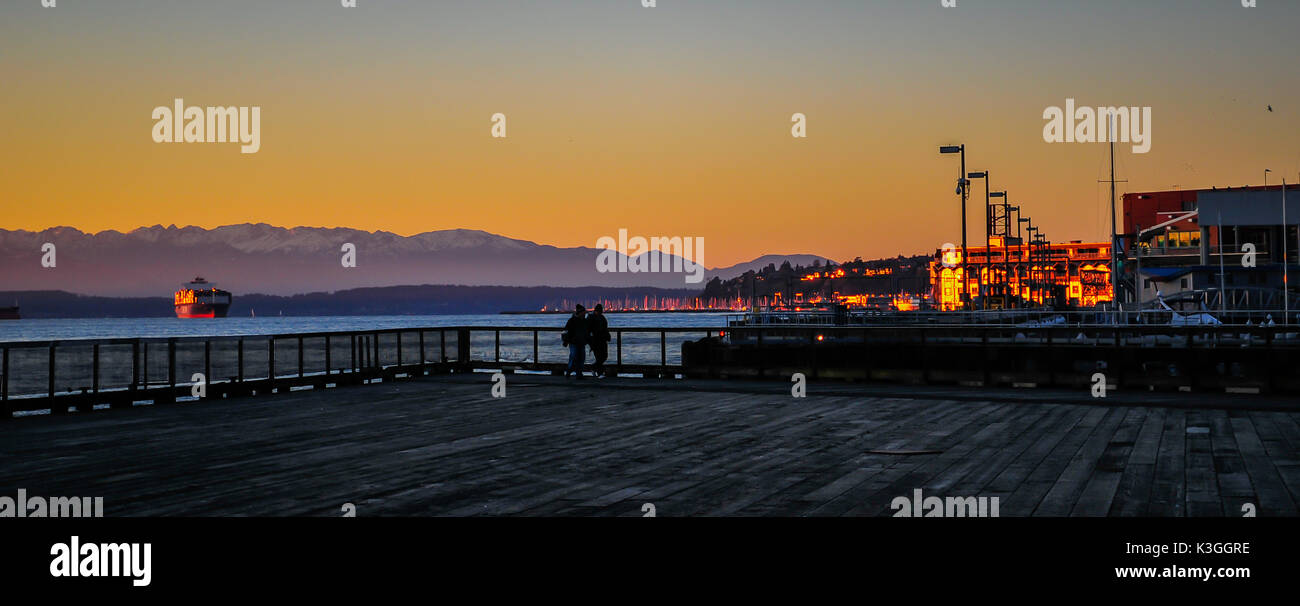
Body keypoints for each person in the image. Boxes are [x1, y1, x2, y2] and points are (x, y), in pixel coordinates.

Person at [563, 305, 589, 378]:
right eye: (584, 312)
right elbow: (567, 331)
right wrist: (566, 341)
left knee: (581, 358)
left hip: (581, 342)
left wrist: (587, 340)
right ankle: (569, 371)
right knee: (574, 357)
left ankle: (578, 373)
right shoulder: (572, 321)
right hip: (574, 342)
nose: (585, 314)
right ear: (580, 312)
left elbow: (586, 332)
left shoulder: (584, 321)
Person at [588, 303, 611, 377]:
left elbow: (605, 328)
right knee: (599, 357)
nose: (601, 312)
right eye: (600, 310)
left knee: (604, 356)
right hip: (595, 341)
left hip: (603, 339)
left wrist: (608, 336)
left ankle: (594, 368)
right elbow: (588, 330)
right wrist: (591, 341)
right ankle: (599, 373)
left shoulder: (602, 318)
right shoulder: (591, 318)